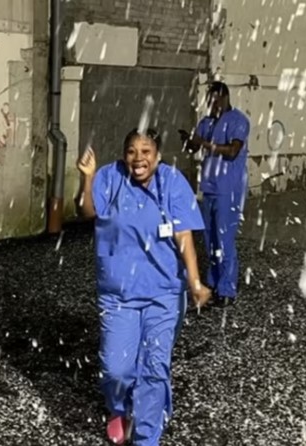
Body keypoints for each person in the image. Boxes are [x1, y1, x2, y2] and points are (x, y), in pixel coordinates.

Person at [75, 128, 212, 445]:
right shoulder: (110, 176)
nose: (139, 159)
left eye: (146, 151)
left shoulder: (172, 182)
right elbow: (87, 211)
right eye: (132, 152)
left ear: (158, 155)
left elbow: (184, 235)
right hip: (120, 291)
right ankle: (119, 408)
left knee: (153, 366)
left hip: (163, 291)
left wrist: (194, 281)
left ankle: (147, 436)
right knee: (116, 369)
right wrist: (89, 177)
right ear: (124, 156)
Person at [180, 81, 250, 305]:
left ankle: (227, 290)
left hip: (228, 188)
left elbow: (232, 151)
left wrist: (206, 144)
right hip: (209, 187)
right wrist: (188, 142)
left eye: (217, 100)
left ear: (226, 98)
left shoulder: (239, 121)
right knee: (210, 239)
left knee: (224, 240)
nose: (213, 104)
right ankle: (213, 283)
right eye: (210, 100)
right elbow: (194, 146)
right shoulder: (207, 122)